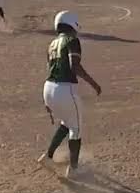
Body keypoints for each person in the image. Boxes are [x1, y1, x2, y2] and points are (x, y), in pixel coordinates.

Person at [37, 11, 103, 179]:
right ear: (72, 25)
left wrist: (47, 101)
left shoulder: (52, 43)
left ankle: (48, 156)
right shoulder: (72, 40)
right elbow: (74, 66)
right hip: (65, 89)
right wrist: (93, 83)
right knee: (76, 128)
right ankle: (74, 169)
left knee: (66, 122)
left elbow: (49, 69)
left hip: (48, 87)